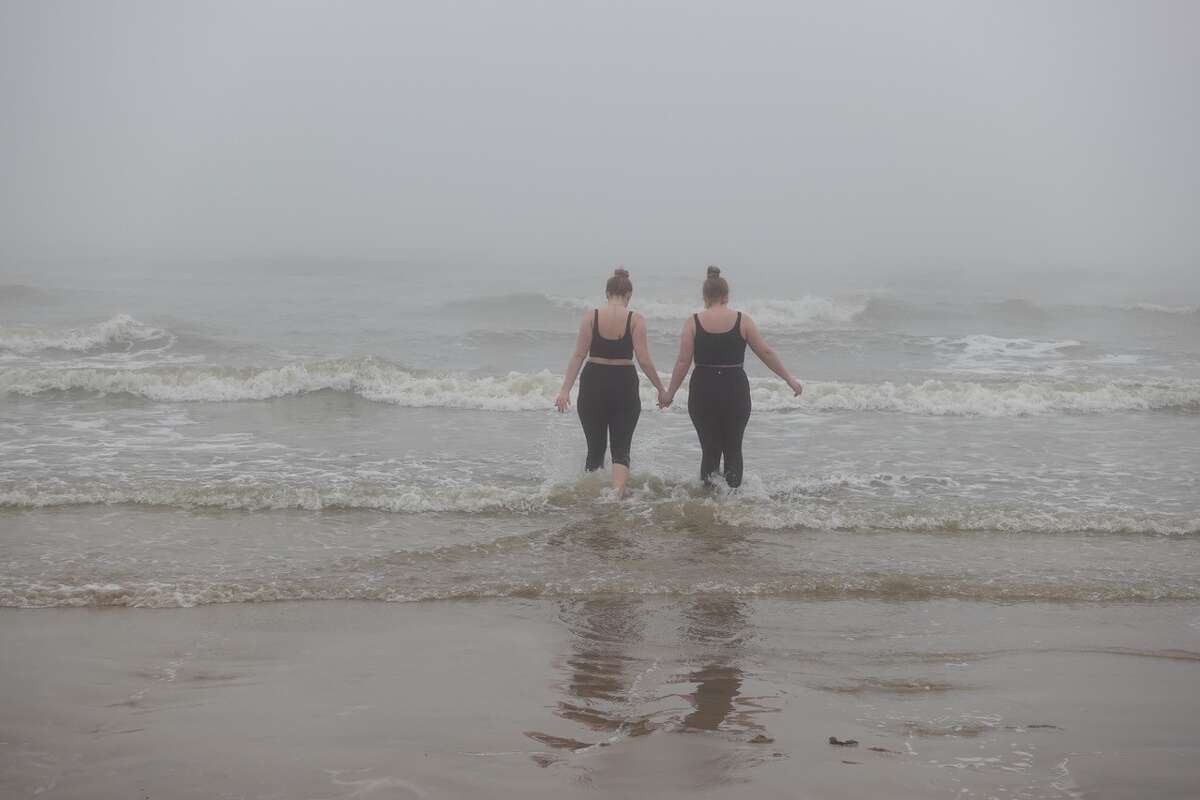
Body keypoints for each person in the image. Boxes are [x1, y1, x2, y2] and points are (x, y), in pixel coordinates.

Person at [662, 266, 803, 488]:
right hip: (734, 389)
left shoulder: (693, 322)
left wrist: (669, 393)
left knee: (709, 449)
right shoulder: (742, 320)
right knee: (733, 448)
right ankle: (733, 504)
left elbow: (683, 362)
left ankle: (708, 504)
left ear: (705, 296)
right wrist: (790, 379)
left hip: (703, 390)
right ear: (726, 296)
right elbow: (766, 352)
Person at [555, 268, 668, 497]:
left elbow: (578, 355)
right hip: (624, 384)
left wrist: (564, 390)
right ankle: (616, 497)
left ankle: (592, 498)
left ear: (607, 293)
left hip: (593, 383)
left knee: (595, 449)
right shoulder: (635, 319)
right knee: (621, 448)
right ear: (629, 295)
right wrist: (661, 389)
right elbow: (644, 359)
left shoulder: (591, 317)